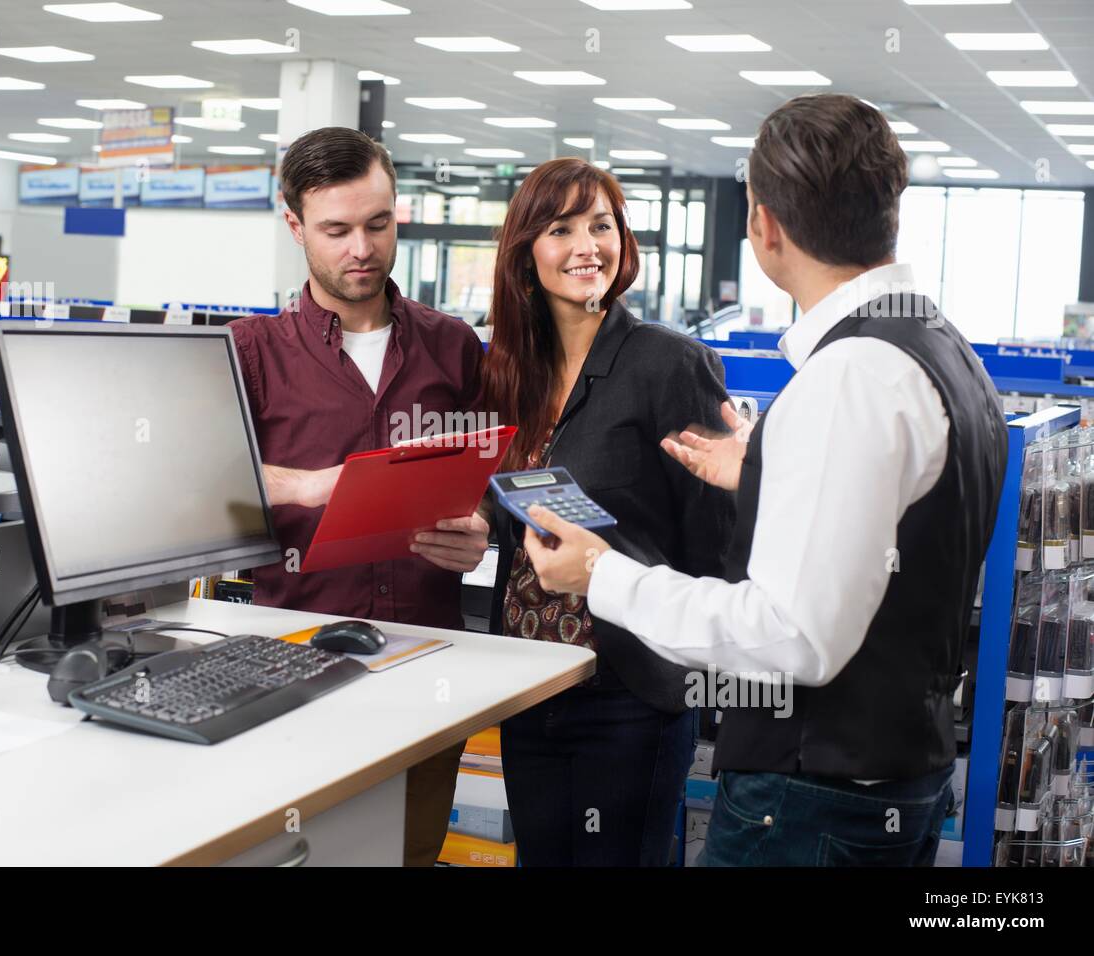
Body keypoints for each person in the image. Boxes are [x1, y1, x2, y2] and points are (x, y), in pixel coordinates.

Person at [520, 94, 1009, 867]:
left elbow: (791, 637)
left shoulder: (847, 374)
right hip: (893, 777)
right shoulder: (942, 351)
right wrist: (769, 472)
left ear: (764, 226)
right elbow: (893, 520)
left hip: (812, 799)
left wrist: (601, 575)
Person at [230, 127, 490, 866]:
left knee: (409, 855)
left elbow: (483, 483)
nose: (361, 249)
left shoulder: (453, 346)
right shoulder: (251, 351)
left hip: (430, 664)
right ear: (294, 226)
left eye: (378, 224)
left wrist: (479, 530)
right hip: (293, 666)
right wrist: (310, 484)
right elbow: (203, 488)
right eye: (336, 230)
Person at [482, 157, 735, 866]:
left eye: (602, 225)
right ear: (526, 250)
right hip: (528, 680)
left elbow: (715, 541)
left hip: (629, 691)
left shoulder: (667, 362)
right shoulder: (510, 372)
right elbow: (510, 512)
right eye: (561, 228)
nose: (586, 244)